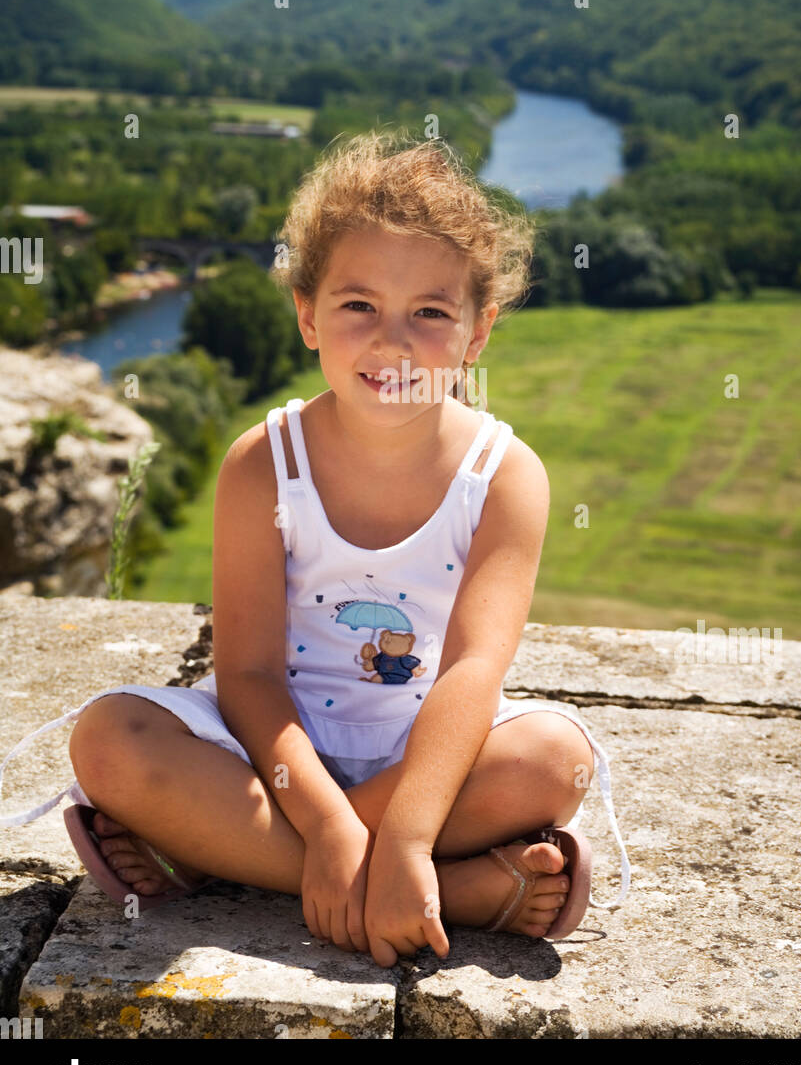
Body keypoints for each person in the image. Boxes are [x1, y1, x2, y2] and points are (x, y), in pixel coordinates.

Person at [0, 131, 630, 969]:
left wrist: (404, 827)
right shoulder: (264, 462)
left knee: (556, 761)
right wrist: (330, 821)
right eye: (358, 306)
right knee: (109, 739)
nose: (392, 341)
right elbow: (251, 674)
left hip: (431, 754)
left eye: (431, 314)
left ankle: (226, 856)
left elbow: (472, 673)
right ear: (307, 314)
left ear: (478, 334)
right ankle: (460, 887)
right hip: (270, 752)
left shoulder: (505, 476)